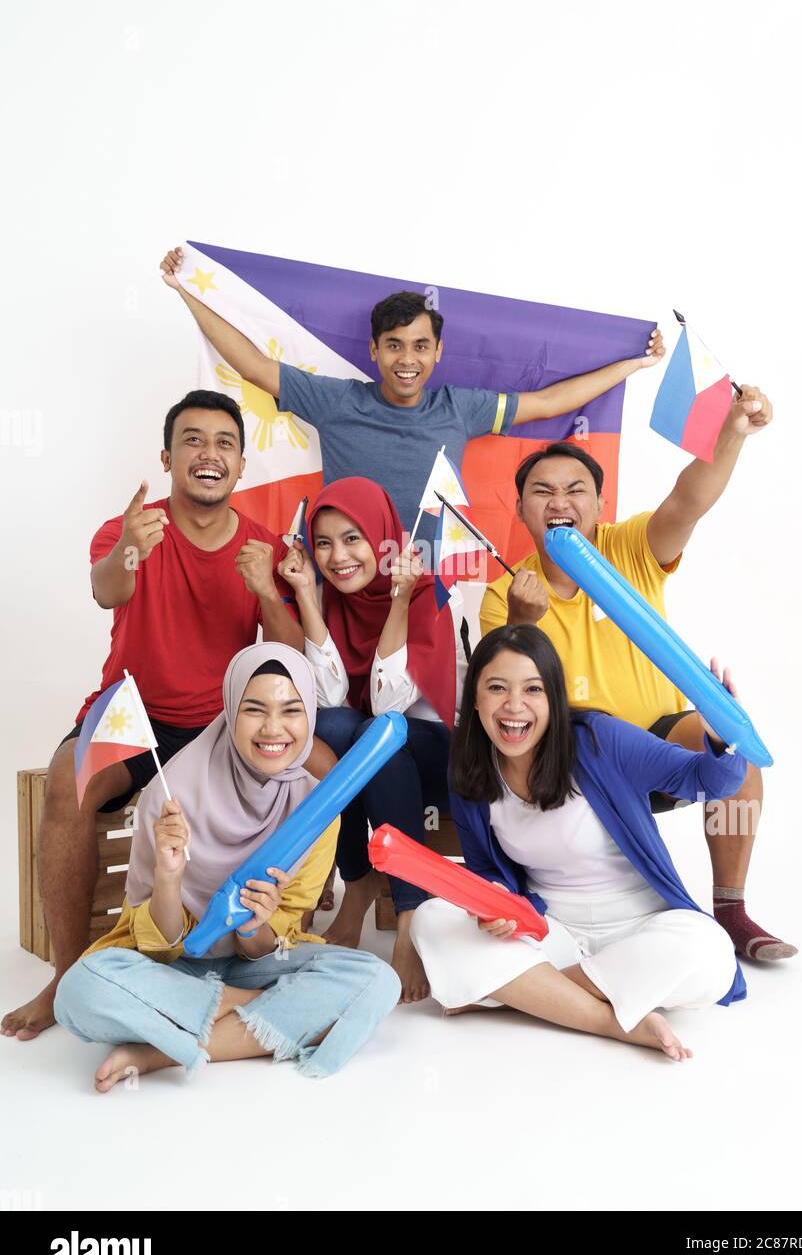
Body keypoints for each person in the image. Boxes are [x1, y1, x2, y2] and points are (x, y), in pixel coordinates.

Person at [2, 391, 328, 1043]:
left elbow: (292, 665)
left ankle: (280, 942)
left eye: (223, 444)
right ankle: (69, 979)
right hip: (134, 712)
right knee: (68, 780)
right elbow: (105, 591)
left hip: (223, 726)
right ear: (168, 456)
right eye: (193, 440)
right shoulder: (131, 528)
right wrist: (127, 552)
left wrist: (268, 590)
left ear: (240, 466)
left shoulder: (264, 546)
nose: (209, 454)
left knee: (331, 772)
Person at [479, 419, 795, 963]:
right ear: (521, 509)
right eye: (543, 491)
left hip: (662, 740)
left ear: (600, 503)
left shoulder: (628, 546)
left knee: (738, 758)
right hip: (580, 760)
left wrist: (733, 434)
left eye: (576, 489)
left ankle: (731, 909)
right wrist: (519, 620)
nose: (561, 500)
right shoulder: (503, 592)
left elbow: (688, 500)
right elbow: (509, 703)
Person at [53, 645, 400, 1089]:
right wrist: (168, 876)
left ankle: (161, 1051)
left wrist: (255, 927)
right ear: (231, 710)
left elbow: (271, 944)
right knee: (79, 993)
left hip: (250, 964)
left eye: (291, 711)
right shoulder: (171, 796)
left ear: (308, 719)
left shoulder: (315, 807)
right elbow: (158, 950)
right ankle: (261, 1009)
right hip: (169, 968)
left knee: (375, 979)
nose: (273, 728)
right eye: (255, 710)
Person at [159, 245, 664, 536]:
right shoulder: (337, 401)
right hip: (342, 577)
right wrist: (186, 291)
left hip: (424, 584)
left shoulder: (461, 408)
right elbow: (251, 364)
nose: (408, 360)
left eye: (420, 346)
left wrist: (633, 364)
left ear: (438, 353)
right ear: (374, 350)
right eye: (395, 346)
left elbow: (553, 402)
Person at [411, 625, 746, 1060]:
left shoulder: (598, 739)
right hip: (552, 930)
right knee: (431, 918)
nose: (514, 707)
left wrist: (722, 736)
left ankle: (524, 993)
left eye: (532, 689)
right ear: (474, 699)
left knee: (710, 951)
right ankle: (610, 1020)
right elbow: (488, 870)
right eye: (497, 688)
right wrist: (497, 901)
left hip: (643, 927)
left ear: (553, 697)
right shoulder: (471, 765)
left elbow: (708, 780)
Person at [279, 477, 465, 1003]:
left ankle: (410, 916)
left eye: (353, 539)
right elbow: (328, 694)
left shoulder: (426, 592)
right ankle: (356, 881)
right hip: (374, 755)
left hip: (438, 759)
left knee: (373, 732)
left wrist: (401, 601)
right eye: (323, 543)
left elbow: (387, 706)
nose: (338, 557)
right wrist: (306, 598)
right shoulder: (329, 597)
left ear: (383, 539)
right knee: (332, 728)